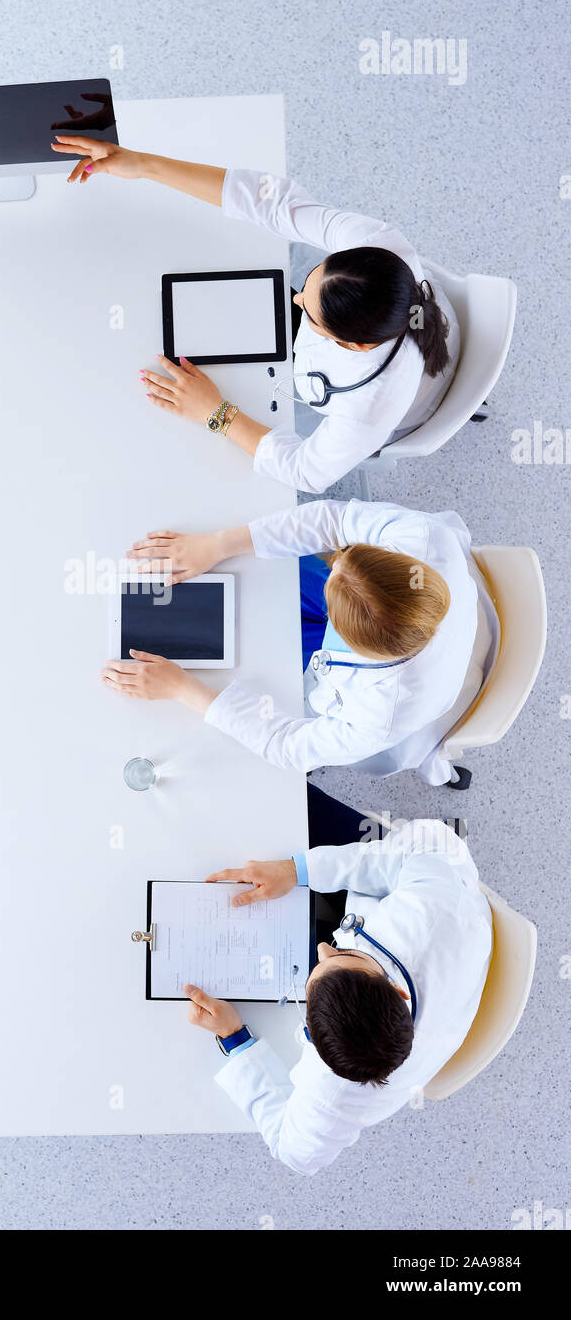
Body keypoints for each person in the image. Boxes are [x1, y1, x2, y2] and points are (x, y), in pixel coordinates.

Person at [50, 135, 459, 494]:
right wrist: (140, 163)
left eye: (311, 317)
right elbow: (273, 202)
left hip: (391, 400)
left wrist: (217, 414)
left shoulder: (368, 407)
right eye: (314, 281)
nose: (296, 301)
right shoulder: (378, 244)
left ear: (355, 345)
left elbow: (305, 472)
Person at [183, 783, 492, 1175]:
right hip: (414, 898)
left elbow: (294, 1152)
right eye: (345, 955)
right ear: (395, 987)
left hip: (427, 974)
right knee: (287, 797)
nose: (322, 950)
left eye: (313, 985)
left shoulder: (335, 1093)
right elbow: (434, 840)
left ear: (313, 1038)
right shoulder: (431, 910)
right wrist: (298, 870)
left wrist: (235, 1040)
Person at [101, 497, 498, 784]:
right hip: (407, 617)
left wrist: (183, 689)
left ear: (351, 642)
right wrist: (217, 545)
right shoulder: (424, 541)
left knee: (264, 656)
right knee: (270, 578)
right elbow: (332, 520)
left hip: (426, 693)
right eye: (342, 560)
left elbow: (287, 745)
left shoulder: (381, 712)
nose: (332, 564)